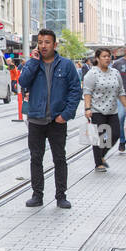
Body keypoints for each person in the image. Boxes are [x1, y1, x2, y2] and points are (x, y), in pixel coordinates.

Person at [19, 29, 82, 210]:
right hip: (36, 119)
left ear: (55, 45)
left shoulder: (66, 65)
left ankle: (61, 196)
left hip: (57, 120)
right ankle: (37, 195)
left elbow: (75, 90)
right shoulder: (33, 64)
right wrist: (33, 62)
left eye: (47, 42)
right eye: (40, 42)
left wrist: (66, 114)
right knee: (35, 158)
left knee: (59, 158)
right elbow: (23, 82)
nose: (43, 46)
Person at [83, 47, 126, 172]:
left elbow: (121, 91)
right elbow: (87, 92)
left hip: (112, 110)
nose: (107, 58)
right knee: (100, 137)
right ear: (97, 58)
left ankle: (101, 155)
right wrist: (87, 108)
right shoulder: (92, 73)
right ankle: (98, 163)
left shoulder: (115, 72)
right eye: (104, 56)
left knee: (115, 134)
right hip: (97, 110)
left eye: (109, 56)